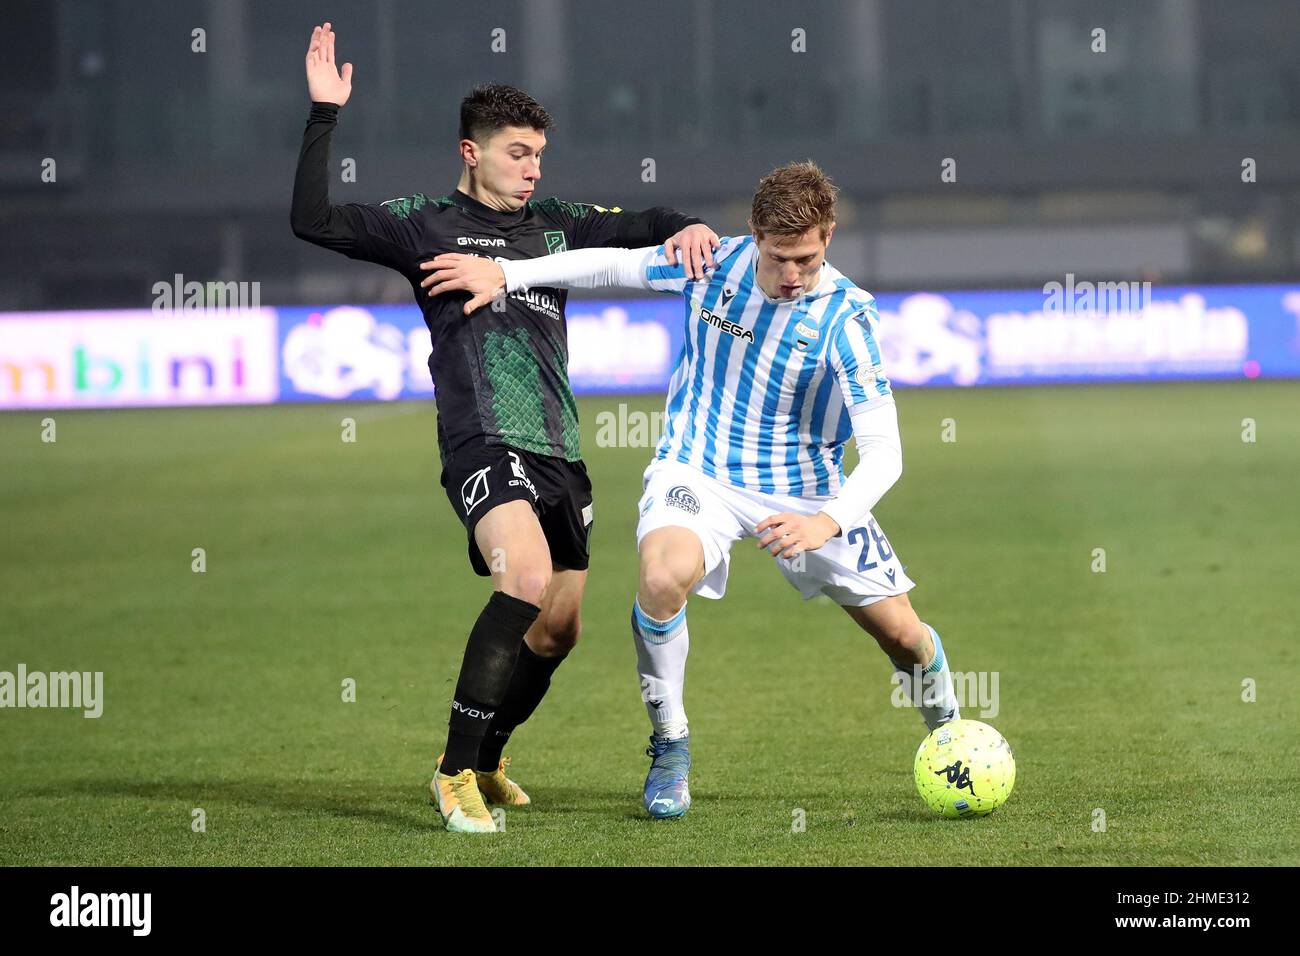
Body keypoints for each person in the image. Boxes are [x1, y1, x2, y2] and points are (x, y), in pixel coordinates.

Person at [420, 160, 962, 820]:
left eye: (807, 259)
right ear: (753, 235)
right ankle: (670, 745)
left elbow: (884, 453)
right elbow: (608, 266)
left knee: (904, 638)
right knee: (661, 576)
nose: (792, 275)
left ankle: (950, 731)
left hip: (806, 489)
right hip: (697, 471)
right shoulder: (712, 265)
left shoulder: (847, 320)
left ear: (829, 237)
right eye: (780, 257)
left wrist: (828, 521)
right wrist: (510, 273)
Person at [290, 22, 719, 832]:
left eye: (538, 154)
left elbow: (644, 223)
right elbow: (312, 220)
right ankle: (452, 773)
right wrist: (323, 116)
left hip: (560, 447)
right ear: (470, 151)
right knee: (520, 579)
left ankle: (487, 760)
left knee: (559, 627)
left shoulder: (554, 222)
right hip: (481, 440)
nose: (533, 168)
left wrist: (689, 224)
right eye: (518, 152)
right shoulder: (421, 224)